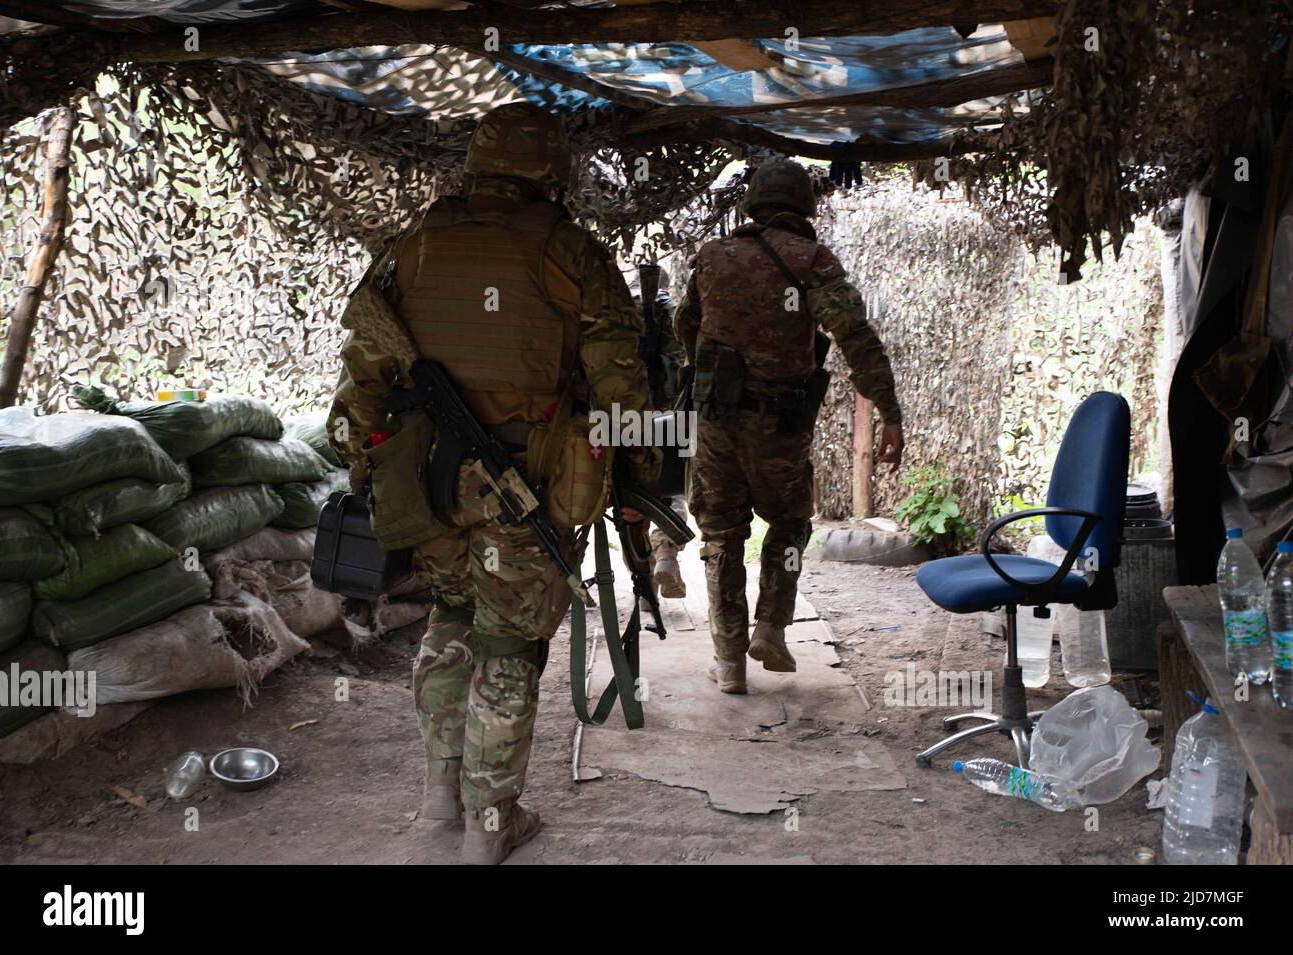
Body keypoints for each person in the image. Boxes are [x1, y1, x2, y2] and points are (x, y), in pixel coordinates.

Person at [328, 103, 659, 863]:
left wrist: (365, 472)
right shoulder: (572, 253)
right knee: (507, 645)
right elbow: (622, 394)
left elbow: (361, 374)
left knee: (447, 621)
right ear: (553, 171)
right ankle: (489, 825)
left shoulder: (412, 245)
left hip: (426, 483)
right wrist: (635, 490)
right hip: (530, 488)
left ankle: (440, 796)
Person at [675, 158, 905, 695]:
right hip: (779, 423)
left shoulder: (713, 257)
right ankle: (772, 628)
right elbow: (854, 336)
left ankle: (728, 661)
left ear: (751, 204)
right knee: (790, 523)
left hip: (715, 421)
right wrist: (890, 411)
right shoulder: (812, 260)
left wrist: (709, 371)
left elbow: (684, 326)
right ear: (805, 207)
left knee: (722, 538)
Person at [630, 264, 690, 598]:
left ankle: (644, 591)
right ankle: (666, 549)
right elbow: (687, 360)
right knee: (670, 488)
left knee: (629, 498)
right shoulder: (675, 311)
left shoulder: (620, 307)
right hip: (670, 415)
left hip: (622, 415)